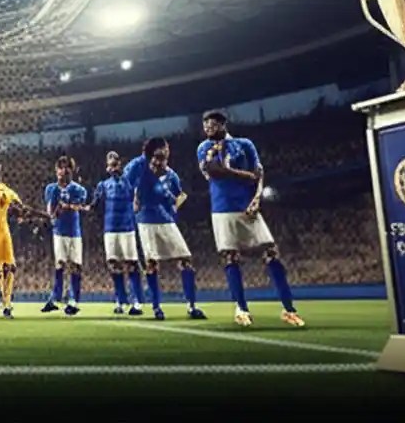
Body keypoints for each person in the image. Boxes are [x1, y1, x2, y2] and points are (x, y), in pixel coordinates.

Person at [199, 110, 304, 328]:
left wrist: (257, 199)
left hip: (247, 206)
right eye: (205, 125)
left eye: (212, 124)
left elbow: (259, 172)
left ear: (223, 124)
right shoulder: (203, 148)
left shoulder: (244, 144)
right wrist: (245, 176)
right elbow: (215, 171)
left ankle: (289, 309)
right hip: (222, 208)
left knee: (272, 253)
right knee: (230, 257)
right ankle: (241, 309)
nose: (208, 128)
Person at [125, 137, 205, 320]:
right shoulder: (138, 166)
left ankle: (192, 306)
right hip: (145, 221)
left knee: (185, 260)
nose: (164, 155)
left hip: (167, 221)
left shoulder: (171, 175)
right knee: (152, 264)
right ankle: (156, 308)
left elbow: (181, 194)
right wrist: (134, 198)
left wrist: (175, 205)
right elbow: (126, 184)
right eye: (161, 152)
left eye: (166, 152)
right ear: (152, 153)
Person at [0, 163, 42, 318]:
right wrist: (41, 215)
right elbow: (24, 209)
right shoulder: (8, 191)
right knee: (8, 268)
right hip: (2, 234)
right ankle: (5, 304)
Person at [87, 151, 143, 315]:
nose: (112, 168)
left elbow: (139, 198)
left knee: (132, 264)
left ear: (120, 164)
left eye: (115, 164)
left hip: (127, 228)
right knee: (114, 265)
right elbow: (95, 206)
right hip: (110, 229)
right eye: (109, 165)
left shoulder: (129, 182)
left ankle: (137, 301)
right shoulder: (103, 185)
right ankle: (121, 300)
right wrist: (84, 208)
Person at [43, 156, 86, 316]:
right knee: (59, 264)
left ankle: (74, 301)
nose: (63, 171)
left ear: (71, 171)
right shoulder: (51, 188)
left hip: (74, 232)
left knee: (75, 265)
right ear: (56, 171)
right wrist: (53, 213)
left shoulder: (79, 189)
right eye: (60, 168)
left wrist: (65, 207)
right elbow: (50, 210)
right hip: (58, 232)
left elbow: (78, 206)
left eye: (66, 168)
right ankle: (55, 298)